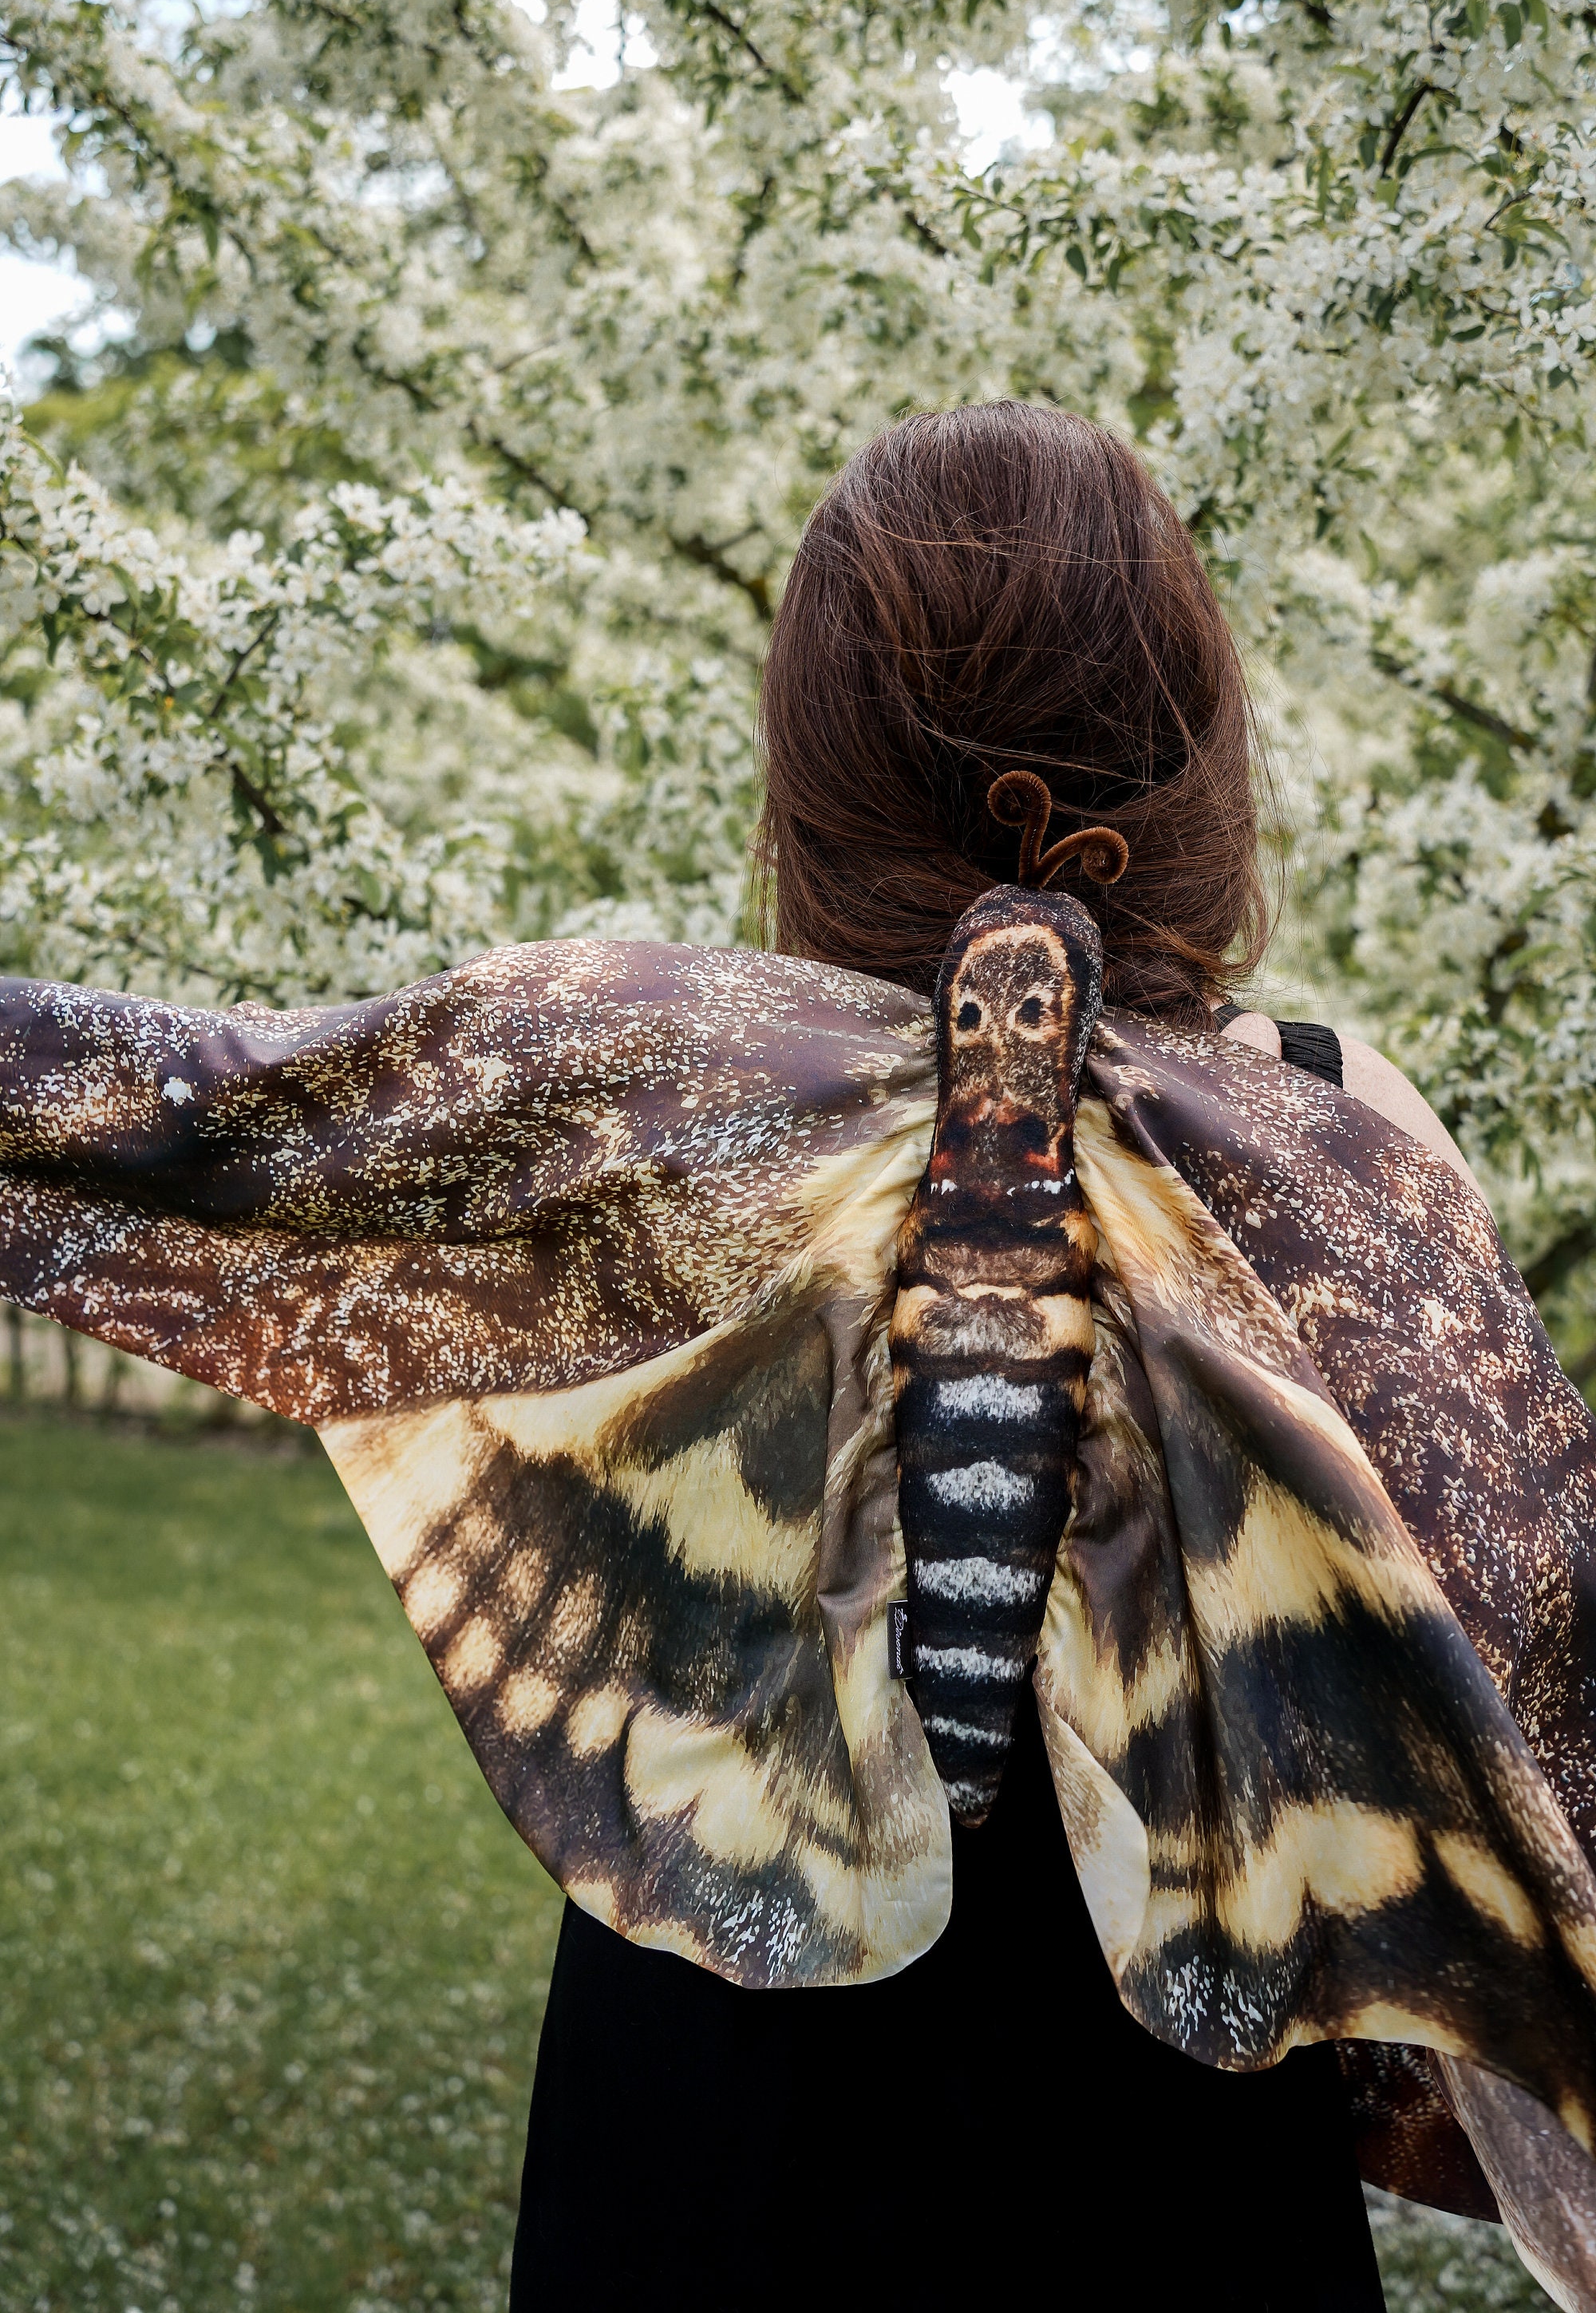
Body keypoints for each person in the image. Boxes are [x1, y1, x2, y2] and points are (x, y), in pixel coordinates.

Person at [509, 403, 1441, 2307]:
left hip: (708, 2084)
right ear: (1189, 751)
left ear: (814, 772)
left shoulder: (660, 1113)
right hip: (1182, 2124)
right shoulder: (1339, 1130)